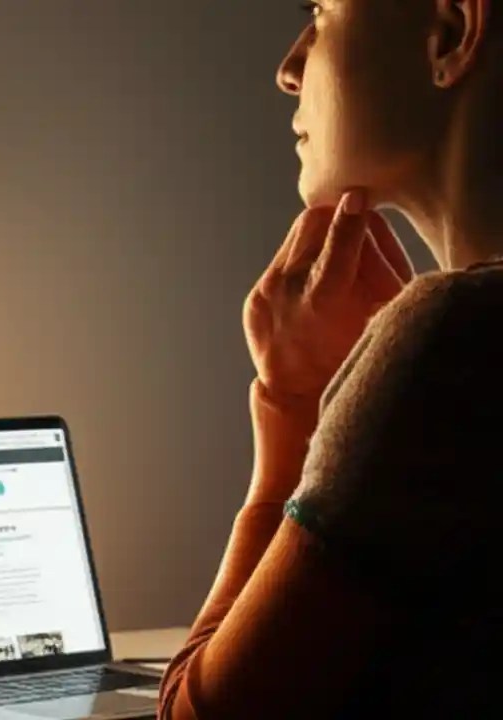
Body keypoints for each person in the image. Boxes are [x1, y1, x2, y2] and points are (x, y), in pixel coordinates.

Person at [159, 1, 501, 717]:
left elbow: (198, 714)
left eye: (321, 11)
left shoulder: (458, 338)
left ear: (451, 33)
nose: (289, 70)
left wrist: (291, 405)